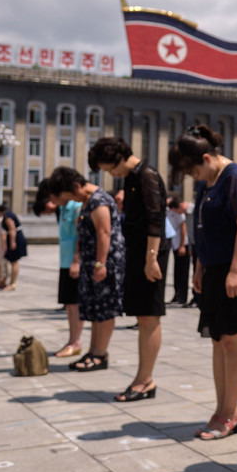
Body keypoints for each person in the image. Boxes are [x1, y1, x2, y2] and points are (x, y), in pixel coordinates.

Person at [168, 124, 237, 440]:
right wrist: (200, 266)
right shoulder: (207, 182)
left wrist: (236, 271)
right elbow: (203, 228)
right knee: (217, 338)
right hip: (213, 268)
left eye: (193, 170)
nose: (193, 177)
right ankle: (222, 408)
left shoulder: (235, 176)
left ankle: (230, 411)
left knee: (232, 340)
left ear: (208, 158)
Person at [89, 136, 171, 402]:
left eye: (109, 168)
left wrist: (151, 257)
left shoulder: (145, 174)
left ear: (118, 158)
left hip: (150, 252)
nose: (110, 174)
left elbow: (156, 217)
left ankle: (145, 380)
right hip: (139, 252)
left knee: (149, 315)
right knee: (143, 316)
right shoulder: (133, 176)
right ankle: (142, 378)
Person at [46, 166, 125, 372]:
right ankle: (93, 351)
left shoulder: (99, 201)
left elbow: (104, 233)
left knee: (105, 309)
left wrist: (100, 264)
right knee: (95, 309)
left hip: (104, 264)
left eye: (65, 196)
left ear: (76, 186)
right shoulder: (88, 201)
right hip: (92, 264)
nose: (64, 201)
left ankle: (100, 354)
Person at [34, 180, 85, 358]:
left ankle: (76, 341)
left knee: (75, 303)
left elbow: (81, 235)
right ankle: (72, 340)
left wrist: (76, 261)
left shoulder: (76, 206)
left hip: (73, 261)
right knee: (69, 303)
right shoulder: (62, 208)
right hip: (64, 261)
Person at [0, 202, 28, 289]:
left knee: (14, 261)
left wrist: (12, 242)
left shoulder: (7, 216)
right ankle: (9, 281)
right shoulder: (8, 214)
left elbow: (12, 229)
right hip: (15, 237)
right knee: (12, 260)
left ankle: (12, 283)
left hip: (15, 238)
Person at [166, 197, 191, 306]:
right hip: (175, 245)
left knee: (183, 272)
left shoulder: (180, 214)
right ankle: (177, 295)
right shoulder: (171, 212)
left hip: (182, 245)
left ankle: (182, 296)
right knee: (177, 271)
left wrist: (182, 246)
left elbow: (183, 230)